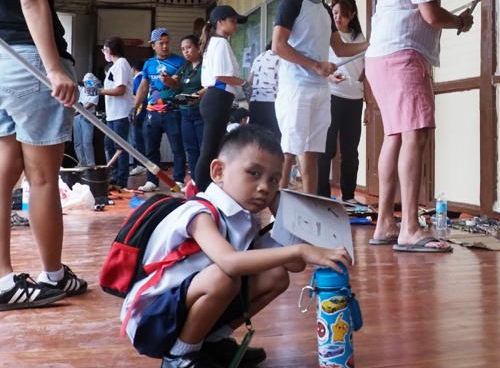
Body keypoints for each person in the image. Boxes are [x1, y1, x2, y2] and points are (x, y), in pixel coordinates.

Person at [120, 125, 352, 368]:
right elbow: (230, 262)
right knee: (225, 277)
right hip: (151, 320)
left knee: (276, 276)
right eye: (253, 173)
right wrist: (303, 249)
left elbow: (294, 265)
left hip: (180, 312)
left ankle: (210, 342)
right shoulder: (199, 212)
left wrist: (281, 213)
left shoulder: (246, 219)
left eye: (274, 180)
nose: (265, 187)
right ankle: (179, 356)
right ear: (219, 171)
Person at [365, 0, 500, 252]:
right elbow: (431, 13)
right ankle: (410, 228)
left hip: (381, 55)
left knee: (395, 135)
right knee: (415, 134)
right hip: (403, 54)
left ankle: (385, 224)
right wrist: (459, 23)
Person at [0, 0, 88, 308]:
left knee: (2, 174)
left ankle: (3, 281)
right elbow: (34, 2)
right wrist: (54, 68)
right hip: (29, 63)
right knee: (40, 178)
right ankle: (53, 275)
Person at [272, 0, 369, 195]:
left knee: (313, 150)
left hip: (320, 90)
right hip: (296, 88)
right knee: (290, 149)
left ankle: (309, 203)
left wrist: (373, 44)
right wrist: (316, 66)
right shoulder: (291, 4)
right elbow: (279, 45)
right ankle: (280, 207)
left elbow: (341, 48)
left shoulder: (326, 10)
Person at [316, 0, 369, 203]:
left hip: (354, 99)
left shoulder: (360, 39)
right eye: (335, 13)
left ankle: (349, 196)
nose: (338, 18)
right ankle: (322, 196)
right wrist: (329, 76)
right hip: (331, 96)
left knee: (350, 151)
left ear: (352, 15)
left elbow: (367, 74)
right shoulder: (328, 36)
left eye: (343, 15)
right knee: (326, 148)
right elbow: (318, 65)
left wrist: (368, 104)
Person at [194, 6, 247, 192]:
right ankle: (199, 189)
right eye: (232, 21)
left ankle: (207, 187)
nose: (236, 25)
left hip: (215, 98)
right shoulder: (221, 43)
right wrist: (245, 82)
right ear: (220, 22)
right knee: (210, 149)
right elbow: (222, 76)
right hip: (217, 98)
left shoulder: (213, 43)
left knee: (214, 147)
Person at [133, 29, 186, 192]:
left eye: (167, 42)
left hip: (173, 111)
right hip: (151, 112)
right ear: (153, 45)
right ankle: (152, 181)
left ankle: (179, 180)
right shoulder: (149, 63)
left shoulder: (180, 61)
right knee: (151, 149)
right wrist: (134, 108)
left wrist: (167, 80)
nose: (165, 46)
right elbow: (143, 87)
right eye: (161, 43)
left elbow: (178, 84)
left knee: (177, 148)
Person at [100, 36, 135, 189]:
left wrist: (100, 91)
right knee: (109, 145)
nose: (104, 53)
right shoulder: (113, 67)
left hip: (121, 112)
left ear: (109, 50)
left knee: (120, 146)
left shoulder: (121, 64)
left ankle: (122, 179)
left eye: (104, 49)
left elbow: (120, 90)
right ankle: (114, 175)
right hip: (112, 113)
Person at [173, 35, 206, 180]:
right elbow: (174, 83)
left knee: (203, 148)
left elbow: (211, 85)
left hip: (201, 111)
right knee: (191, 150)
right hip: (185, 113)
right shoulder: (184, 67)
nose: (186, 52)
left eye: (189, 47)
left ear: (198, 47)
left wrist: (196, 96)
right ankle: (195, 180)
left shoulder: (206, 65)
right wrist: (166, 79)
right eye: (183, 49)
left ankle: (205, 180)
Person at [248, 43, 281, 140]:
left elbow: (250, 81)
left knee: (256, 137)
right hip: (273, 102)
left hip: (256, 102)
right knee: (275, 138)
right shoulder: (282, 58)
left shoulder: (258, 58)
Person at [73, 73, 101, 167]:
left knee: (87, 142)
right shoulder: (80, 90)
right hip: (77, 117)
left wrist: (78, 110)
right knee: (78, 142)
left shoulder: (94, 92)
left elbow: (89, 105)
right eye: (86, 82)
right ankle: (82, 162)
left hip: (88, 116)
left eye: (89, 82)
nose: (87, 84)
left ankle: (90, 163)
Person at [129, 60, 147, 177]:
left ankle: (141, 165)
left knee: (138, 140)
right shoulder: (142, 79)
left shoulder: (137, 80)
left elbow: (138, 98)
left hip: (140, 114)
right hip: (144, 113)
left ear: (134, 69)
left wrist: (136, 114)